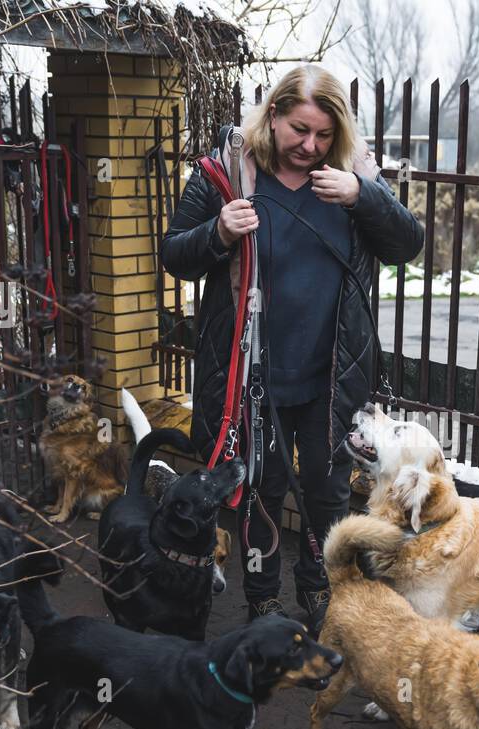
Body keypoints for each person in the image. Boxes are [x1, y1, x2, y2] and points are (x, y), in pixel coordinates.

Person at [160, 65, 424, 628]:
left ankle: (318, 588)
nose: (310, 146)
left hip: (331, 373)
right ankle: (263, 599)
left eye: (324, 134)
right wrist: (218, 233)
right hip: (250, 372)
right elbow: (175, 254)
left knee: (328, 491)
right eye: (299, 130)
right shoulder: (227, 175)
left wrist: (363, 196)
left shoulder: (354, 178)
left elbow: (408, 245)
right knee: (260, 488)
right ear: (273, 115)